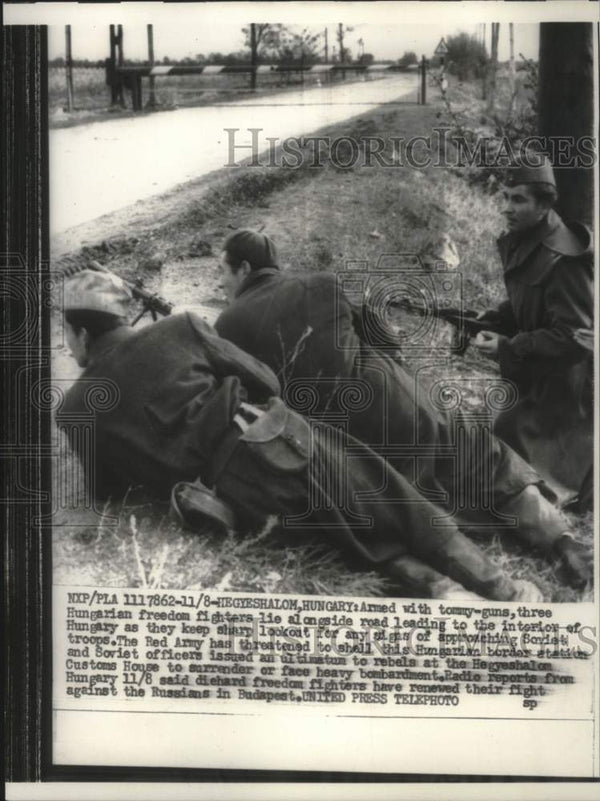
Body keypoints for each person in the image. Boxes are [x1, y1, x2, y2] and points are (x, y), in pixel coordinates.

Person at [59, 269, 546, 603]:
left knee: (350, 544)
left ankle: (446, 595)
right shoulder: (181, 327)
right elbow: (267, 379)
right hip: (280, 435)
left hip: (229, 495)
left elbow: (107, 491)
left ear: (80, 333)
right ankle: (503, 591)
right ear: (121, 316)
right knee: (398, 507)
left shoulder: (75, 409)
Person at [213, 229, 591, 590]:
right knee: (479, 454)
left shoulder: (227, 324)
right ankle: (563, 541)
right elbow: (382, 335)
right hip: (394, 399)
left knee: (390, 510)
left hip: (340, 440)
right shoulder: (322, 283)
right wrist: (397, 377)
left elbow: (254, 396)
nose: (220, 283)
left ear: (244, 268)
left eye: (222, 272)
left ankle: (449, 576)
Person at [473, 156, 594, 512]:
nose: (506, 208)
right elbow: (531, 299)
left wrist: (510, 346)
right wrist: (496, 318)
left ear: (544, 205)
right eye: (505, 197)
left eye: (518, 199)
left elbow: (575, 337)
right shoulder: (527, 240)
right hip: (537, 373)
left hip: (567, 388)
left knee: (509, 464)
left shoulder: (564, 258)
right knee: (489, 450)